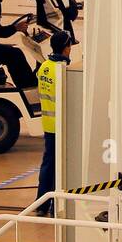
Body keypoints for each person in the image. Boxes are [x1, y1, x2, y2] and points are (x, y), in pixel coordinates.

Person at [35, 29, 72, 216]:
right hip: (64, 126)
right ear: (66, 48)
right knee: (64, 167)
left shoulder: (44, 67)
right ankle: (58, 207)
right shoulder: (64, 71)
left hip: (49, 125)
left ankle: (41, 204)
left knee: (48, 165)